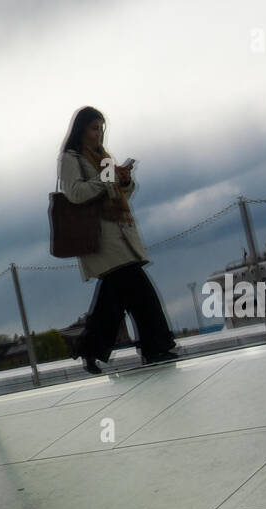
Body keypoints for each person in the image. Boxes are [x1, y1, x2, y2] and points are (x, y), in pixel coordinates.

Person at [59, 106, 178, 373]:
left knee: (118, 297)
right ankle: (156, 346)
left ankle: (91, 348)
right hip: (102, 238)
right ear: (81, 129)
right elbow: (75, 193)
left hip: (119, 234)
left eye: (101, 128)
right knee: (140, 292)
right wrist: (108, 177)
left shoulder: (102, 157)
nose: (98, 133)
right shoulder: (71, 158)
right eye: (93, 127)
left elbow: (115, 191)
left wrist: (124, 181)